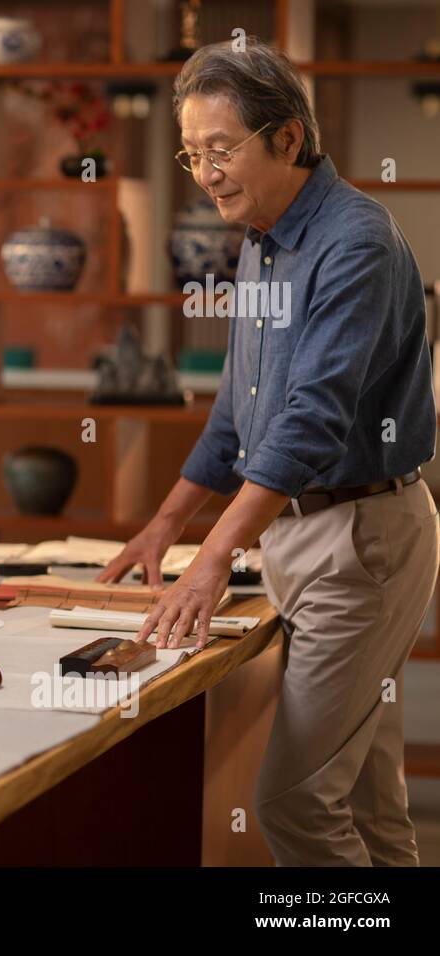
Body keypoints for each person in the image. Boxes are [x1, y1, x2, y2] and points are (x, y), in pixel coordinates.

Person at [98, 40, 438, 866]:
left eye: (222, 150)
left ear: (287, 139)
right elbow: (241, 411)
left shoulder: (353, 241)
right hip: (308, 531)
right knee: (365, 797)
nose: (205, 172)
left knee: (293, 802)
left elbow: (311, 422)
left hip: (361, 537)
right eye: (193, 154)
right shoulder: (263, 233)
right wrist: (165, 529)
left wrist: (215, 558)